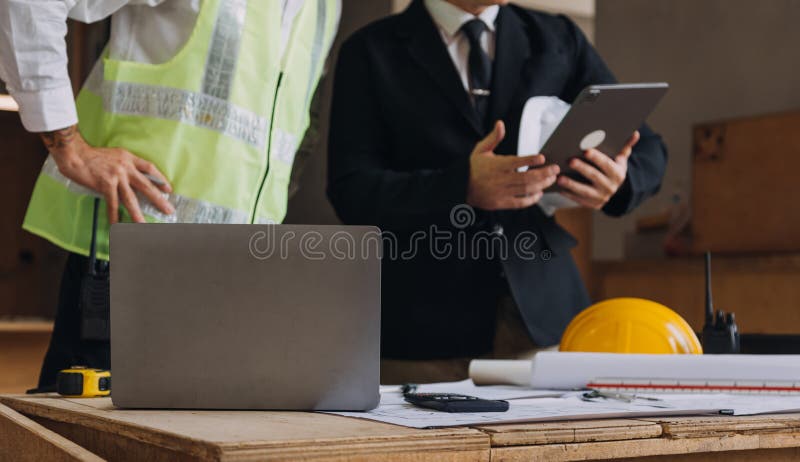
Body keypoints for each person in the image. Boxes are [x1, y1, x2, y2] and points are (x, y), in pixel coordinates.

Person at [0, 0, 340, 388]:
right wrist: (68, 144)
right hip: (138, 260)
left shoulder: (325, 7)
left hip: (241, 278)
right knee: (93, 442)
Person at [327, 0, 668, 383]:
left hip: (546, 324)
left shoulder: (558, 37)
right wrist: (462, 187)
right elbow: (350, 191)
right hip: (420, 333)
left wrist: (618, 180)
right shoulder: (369, 51)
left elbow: (650, 150)